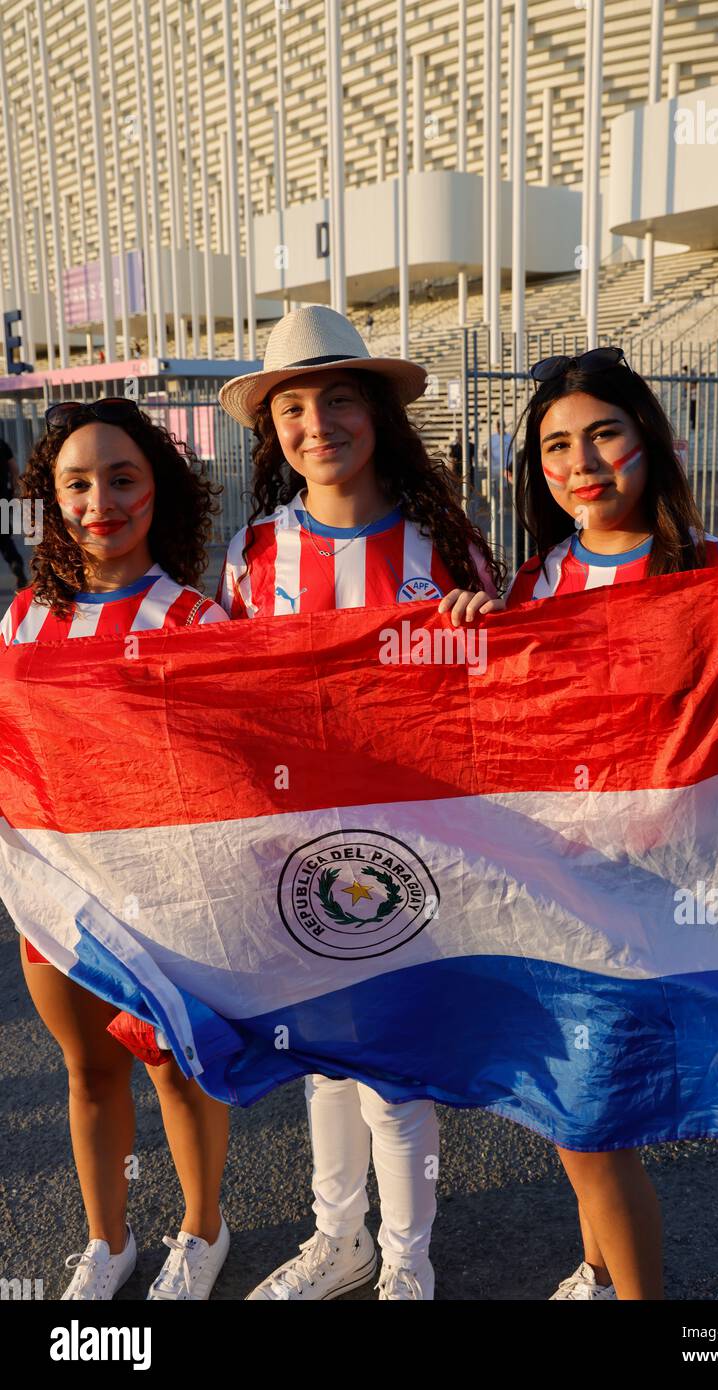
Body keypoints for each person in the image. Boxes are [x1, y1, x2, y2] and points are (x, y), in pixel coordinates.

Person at [507, 346, 718, 1300]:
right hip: (560, 899)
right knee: (582, 1123)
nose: (580, 463)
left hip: (676, 904)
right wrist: (466, 634)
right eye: (555, 446)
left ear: (650, 437)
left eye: (603, 432)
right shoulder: (531, 589)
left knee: (590, 1129)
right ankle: (599, 1269)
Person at [217, 305, 506, 1301]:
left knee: (395, 1072)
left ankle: (405, 1259)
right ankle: (337, 1239)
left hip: (416, 853)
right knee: (323, 1061)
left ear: (379, 413)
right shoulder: (252, 555)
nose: (316, 423)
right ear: (273, 430)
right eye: (292, 406)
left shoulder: (449, 549)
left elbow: (506, 706)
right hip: (297, 852)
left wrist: (483, 630)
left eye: (338, 398)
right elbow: (231, 709)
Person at [2, 398, 232, 1301]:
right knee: (87, 1071)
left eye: (122, 478)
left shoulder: (197, 622)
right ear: (53, 499)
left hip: (165, 901)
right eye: (77, 483)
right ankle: (107, 1243)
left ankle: (201, 1232)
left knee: (176, 1069)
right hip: (51, 896)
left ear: (157, 488)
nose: (101, 500)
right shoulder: (24, 618)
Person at [0, 438, 27, 590]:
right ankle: (15, 564)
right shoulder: (2, 443)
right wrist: (15, 490)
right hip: (2, 498)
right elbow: (14, 468)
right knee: (4, 539)